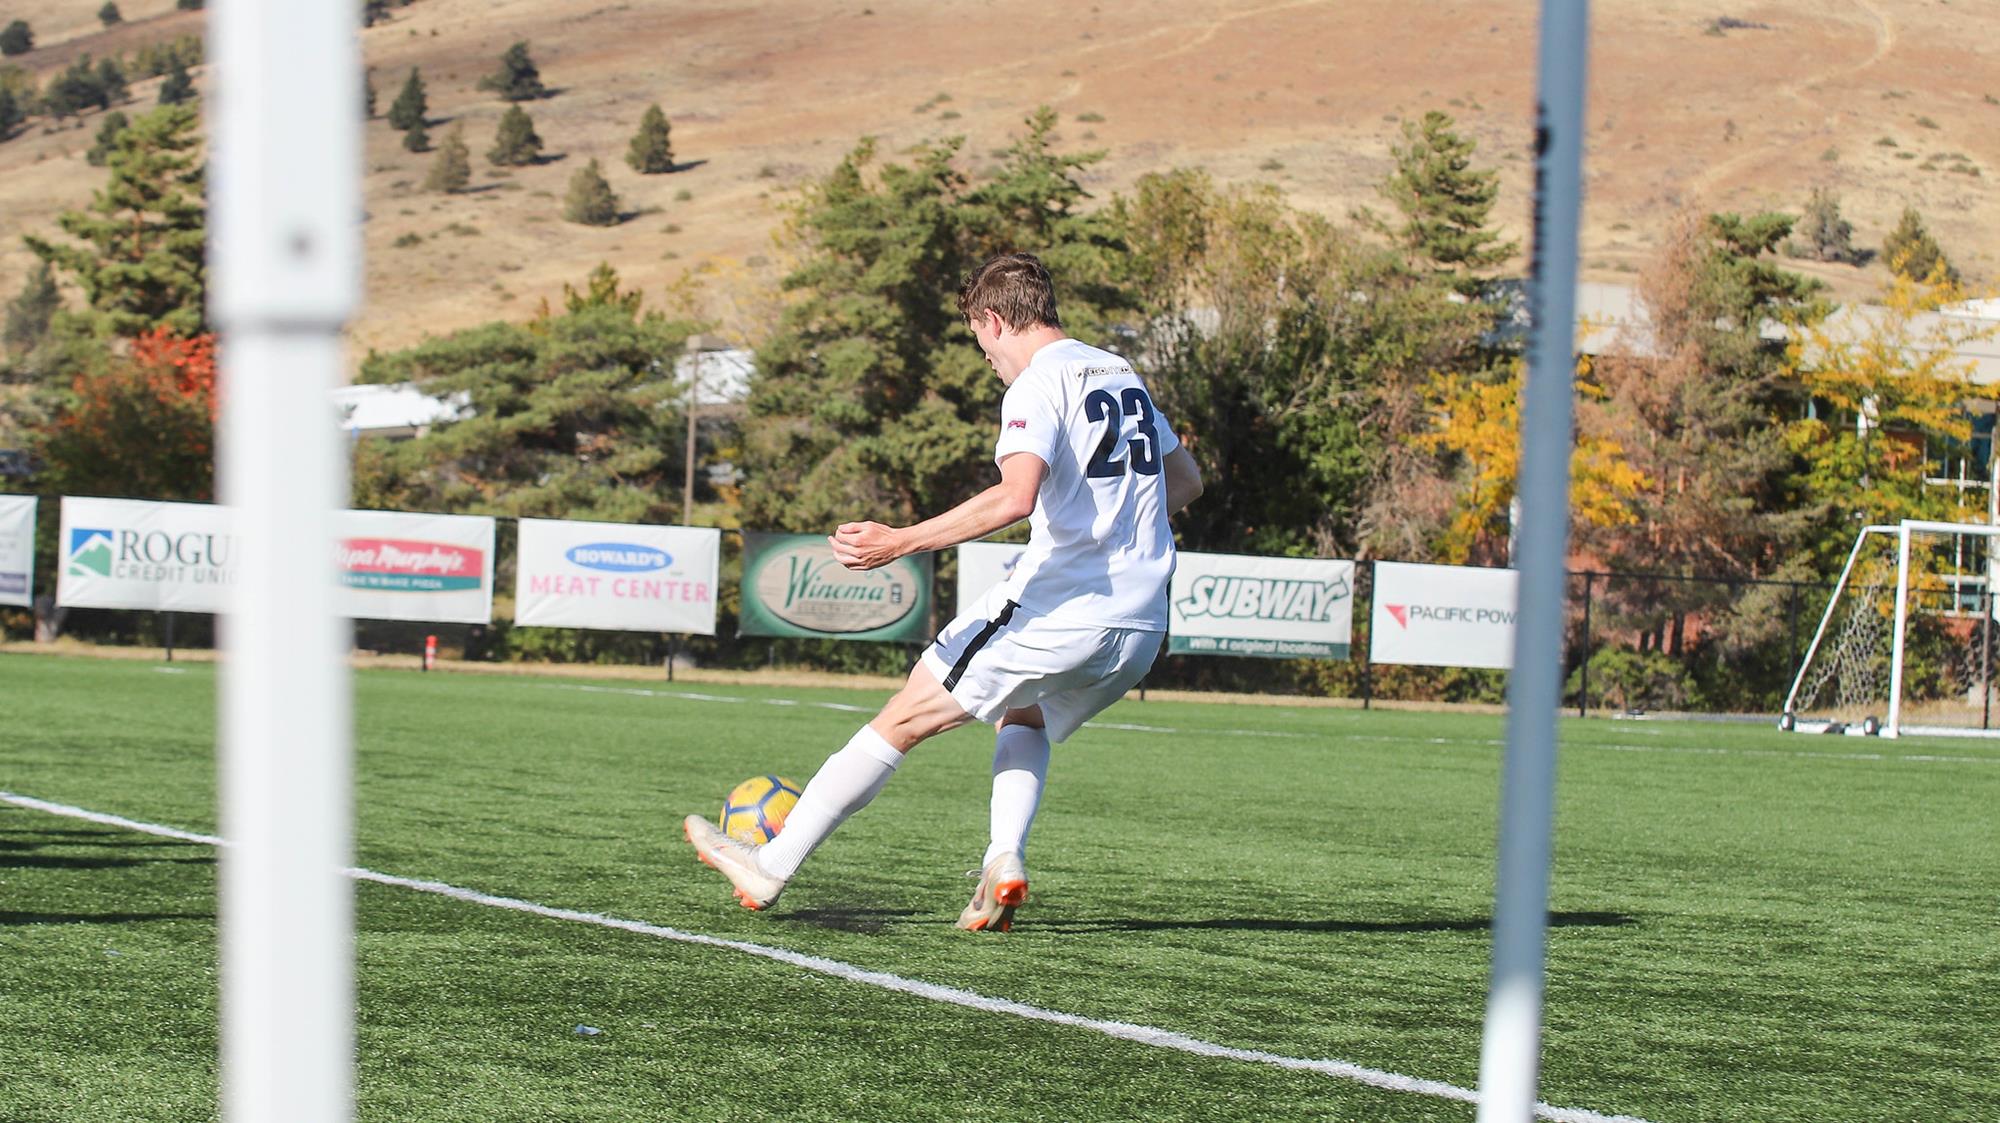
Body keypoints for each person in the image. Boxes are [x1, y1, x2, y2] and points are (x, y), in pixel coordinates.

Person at [683, 251, 1203, 931]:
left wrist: (899, 540)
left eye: (979, 339)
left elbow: (1015, 496)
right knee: (1025, 715)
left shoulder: (1038, 383)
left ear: (994, 319)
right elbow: (1186, 481)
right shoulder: (1119, 370)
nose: (986, 356)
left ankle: (770, 865)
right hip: (1140, 626)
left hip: (1061, 609)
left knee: (902, 716)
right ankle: (1002, 859)